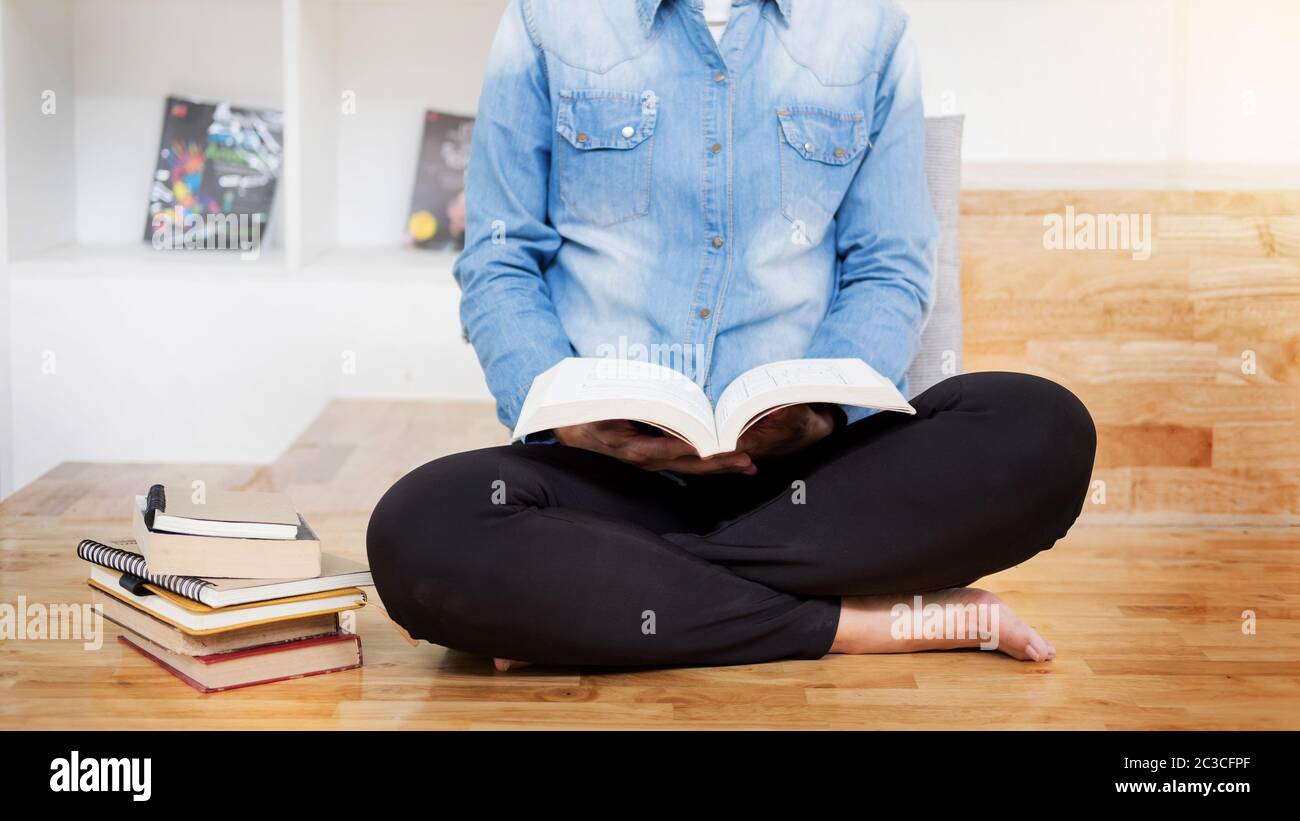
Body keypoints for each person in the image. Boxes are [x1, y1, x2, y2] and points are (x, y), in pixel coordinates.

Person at [367, 0, 1096, 670]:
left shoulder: (869, 26)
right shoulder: (546, 18)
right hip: (603, 479)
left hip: (811, 487)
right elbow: (498, 258)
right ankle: (861, 622)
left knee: (1042, 427)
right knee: (421, 527)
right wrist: (566, 413)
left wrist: (821, 413)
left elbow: (890, 266)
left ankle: (596, 594)